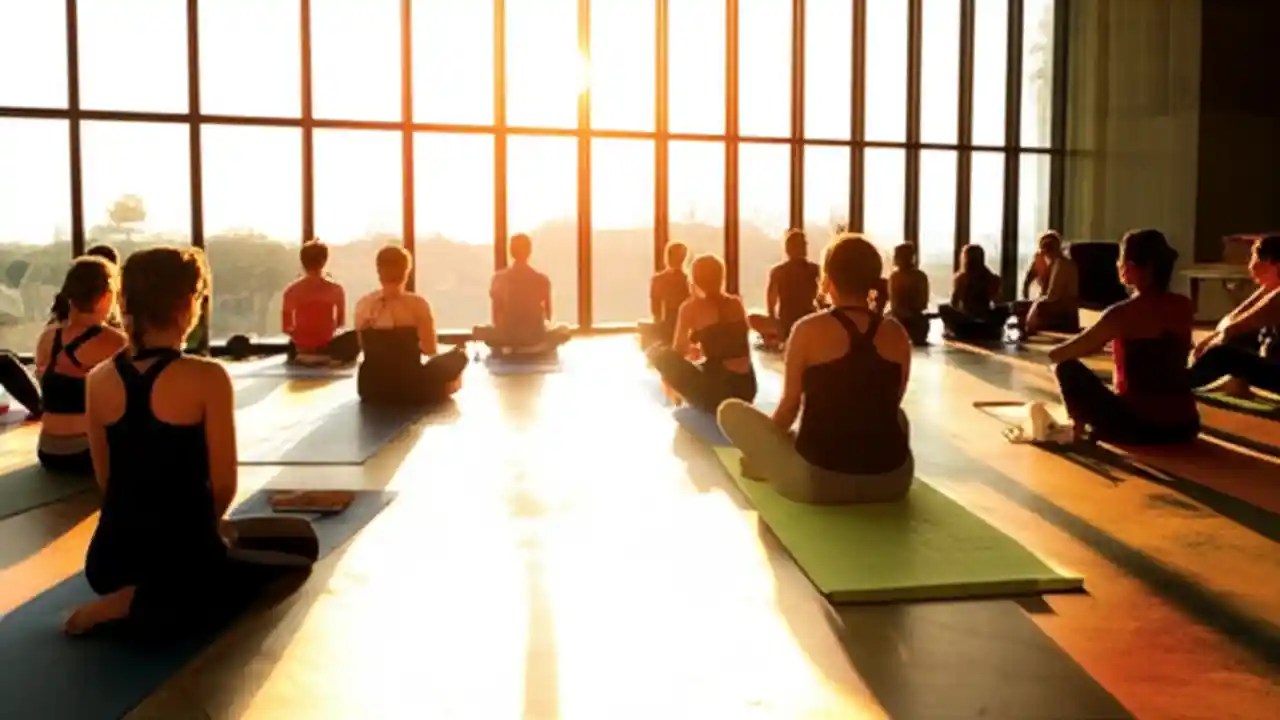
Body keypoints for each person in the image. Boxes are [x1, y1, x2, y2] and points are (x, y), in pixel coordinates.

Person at [65, 247, 318, 636]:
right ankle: (135, 602)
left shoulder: (98, 378)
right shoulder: (207, 377)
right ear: (187, 306)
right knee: (297, 558)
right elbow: (223, 485)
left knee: (295, 534)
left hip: (109, 559)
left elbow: (107, 482)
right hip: (182, 566)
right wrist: (204, 536)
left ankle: (141, 591)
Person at [718, 233, 914, 504]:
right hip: (892, 482)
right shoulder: (897, 333)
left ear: (828, 279)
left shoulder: (807, 330)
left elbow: (789, 407)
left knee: (730, 411)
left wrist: (767, 449)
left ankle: (770, 464)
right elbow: (893, 402)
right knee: (898, 417)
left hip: (818, 483)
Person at [1047, 229, 1199, 445]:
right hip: (1185, 426)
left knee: (1065, 368)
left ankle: (1076, 429)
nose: (1117, 264)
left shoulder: (1121, 314)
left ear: (1131, 267)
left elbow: (1061, 354)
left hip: (1139, 427)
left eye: (1120, 258)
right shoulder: (1184, 306)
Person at [0, 258, 128, 470]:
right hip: (86, 453)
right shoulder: (114, 341)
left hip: (48, 451)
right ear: (106, 297)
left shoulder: (47, 336)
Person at [355, 246, 467, 405]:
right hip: (410, 387)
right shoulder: (418, 305)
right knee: (459, 356)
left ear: (379, 271)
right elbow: (430, 349)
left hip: (371, 389)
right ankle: (443, 388)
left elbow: (362, 346)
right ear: (407, 271)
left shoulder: (363, 304)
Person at [646, 254, 757, 413]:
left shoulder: (690, 308)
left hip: (718, 394)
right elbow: (733, 346)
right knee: (710, 365)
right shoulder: (735, 303)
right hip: (747, 390)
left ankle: (678, 398)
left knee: (660, 354)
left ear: (694, 279)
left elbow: (678, 352)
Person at [1187, 234, 1280, 396]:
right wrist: (1210, 339)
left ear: (1274, 264)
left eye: (1254, 257)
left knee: (1220, 355)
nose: (1250, 265)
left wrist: (1209, 347)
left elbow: (1232, 329)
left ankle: (1178, 388)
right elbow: (1229, 321)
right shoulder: (1272, 287)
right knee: (1237, 341)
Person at [472, 233, 571, 356]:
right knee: (564, 330)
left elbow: (496, 315)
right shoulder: (541, 279)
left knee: (478, 330)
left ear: (510, 251)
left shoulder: (499, 278)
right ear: (529, 251)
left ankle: (510, 347)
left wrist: (503, 332)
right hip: (535, 337)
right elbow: (548, 315)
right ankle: (535, 347)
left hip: (507, 337)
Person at [281, 240, 358, 365]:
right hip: (327, 347)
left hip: (302, 348)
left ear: (302, 262)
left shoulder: (291, 291)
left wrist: (304, 340)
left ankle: (307, 354)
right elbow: (340, 322)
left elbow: (286, 327)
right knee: (356, 336)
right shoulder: (336, 289)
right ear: (324, 261)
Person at [748, 229, 821, 350]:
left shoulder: (779, 271)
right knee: (751, 317)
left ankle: (777, 337)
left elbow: (771, 301)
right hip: (805, 321)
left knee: (752, 318)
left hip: (788, 323)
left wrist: (773, 323)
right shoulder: (814, 270)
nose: (803, 247)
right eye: (801, 244)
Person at [939, 244, 1010, 342]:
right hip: (985, 324)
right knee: (1005, 308)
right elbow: (998, 302)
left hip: (966, 324)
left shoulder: (961, 278)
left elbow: (954, 303)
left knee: (943, 308)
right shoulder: (991, 278)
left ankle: (954, 331)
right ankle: (992, 330)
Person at [1015, 231, 1080, 336]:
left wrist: (1034, 308)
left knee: (1034, 309)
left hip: (1064, 314)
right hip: (1053, 308)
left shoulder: (1062, 264)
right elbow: (1027, 284)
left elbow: (1052, 296)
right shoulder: (1046, 263)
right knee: (1019, 307)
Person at [638, 242, 691, 349]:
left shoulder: (658, 279)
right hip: (678, 323)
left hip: (669, 323)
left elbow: (655, 307)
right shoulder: (688, 280)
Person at [886, 243, 930, 346]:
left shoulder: (895, 277)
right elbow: (923, 303)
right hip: (917, 322)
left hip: (900, 321)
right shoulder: (920, 276)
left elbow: (894, 304)